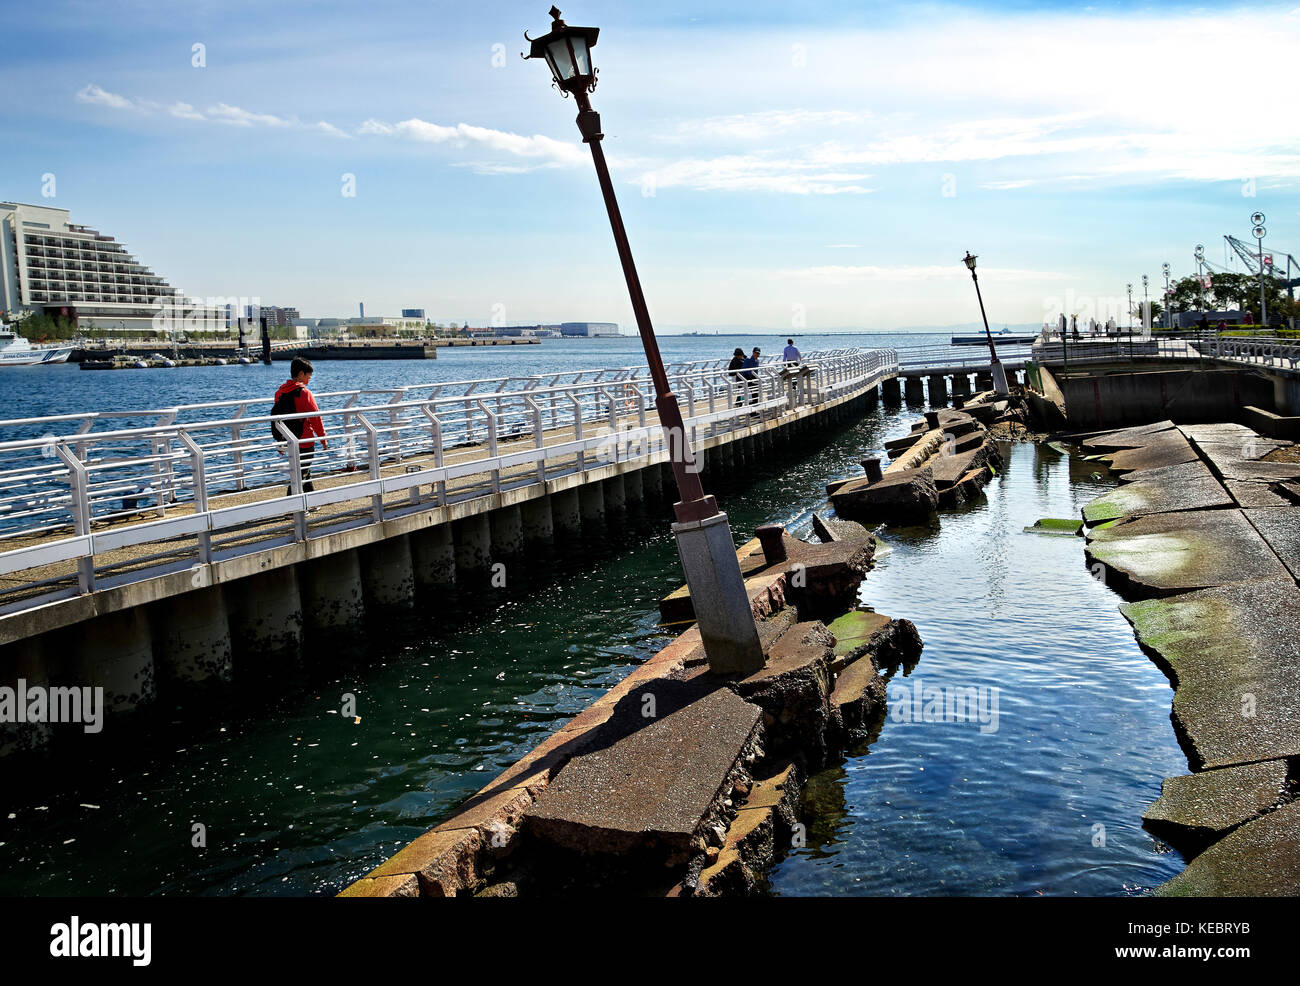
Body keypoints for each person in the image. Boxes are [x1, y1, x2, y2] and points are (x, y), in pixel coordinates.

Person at [273, 357, 328, 495]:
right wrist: (323, 439)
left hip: (288, 439)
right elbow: (316, 418)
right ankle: (293, 507)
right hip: (304, 440)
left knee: (304, 471)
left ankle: (311, 500)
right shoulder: (305, 394)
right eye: (309, 377)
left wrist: (280, 441)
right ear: (302, 374)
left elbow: (278, 420)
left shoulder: (280, 393)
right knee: (300, 474)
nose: (309, 380)